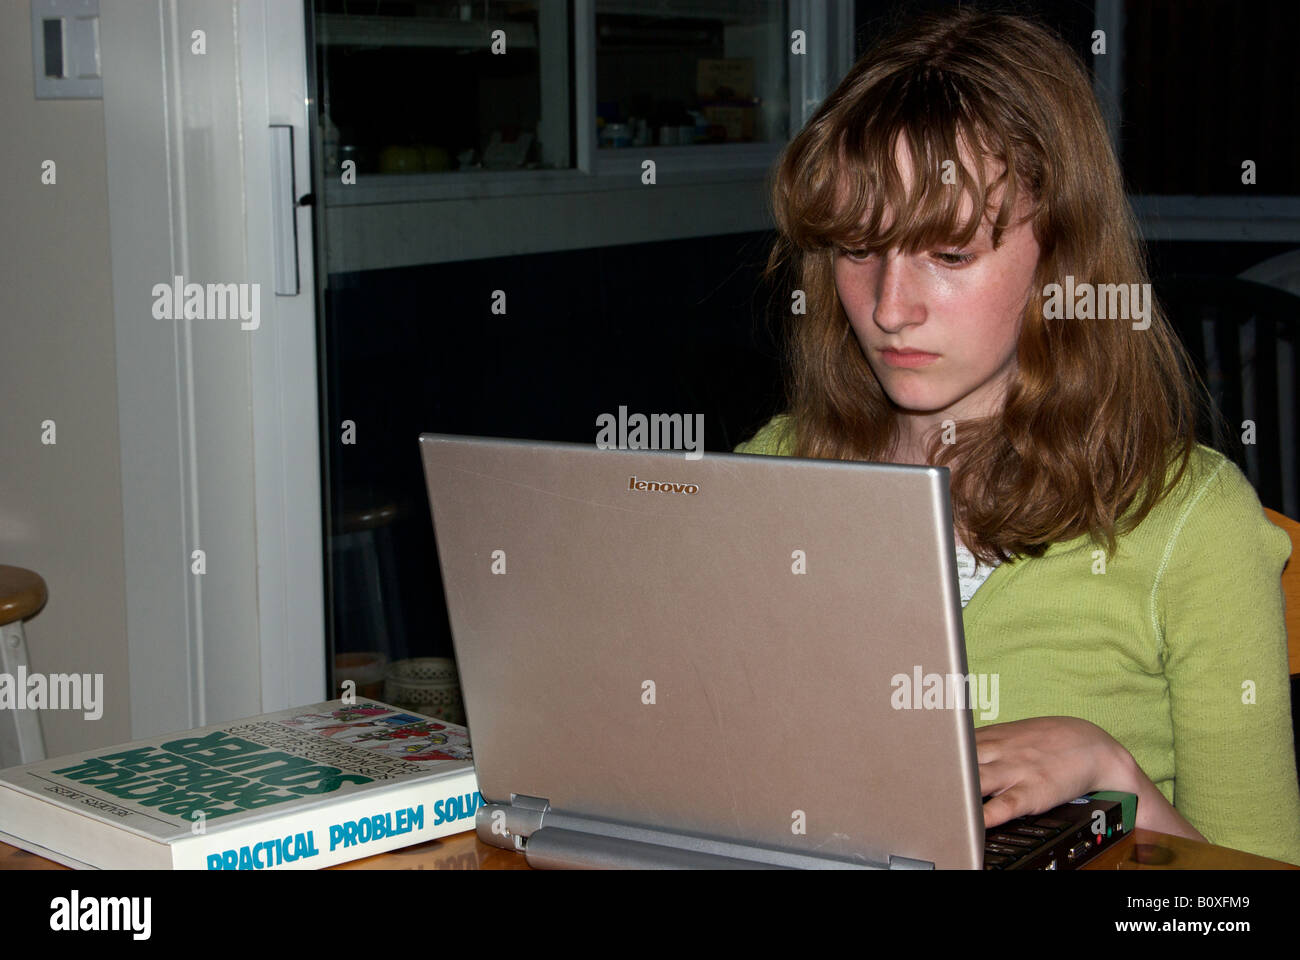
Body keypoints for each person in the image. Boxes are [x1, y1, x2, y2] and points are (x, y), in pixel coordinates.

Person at [735, 6, 1300, 865]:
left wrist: (1113, 775)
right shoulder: (775, 469)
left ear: (1061, 260)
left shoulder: (1193, 523)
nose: (890, 308)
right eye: (859, 249)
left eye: (950, 255)